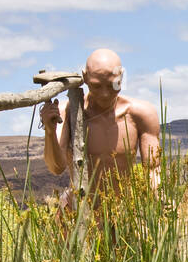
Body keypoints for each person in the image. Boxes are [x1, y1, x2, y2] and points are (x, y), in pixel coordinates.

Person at [40, 48, 161, 213]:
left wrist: (160, 199)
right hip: (77, 213)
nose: (105, 94)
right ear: (85, 77)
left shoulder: (142, 114)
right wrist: (49, 130)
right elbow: (56, 168)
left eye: (113, 85)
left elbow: (153, 169)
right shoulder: (67, 112)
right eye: (97, 86)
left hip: (121, 214)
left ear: (122, 77)